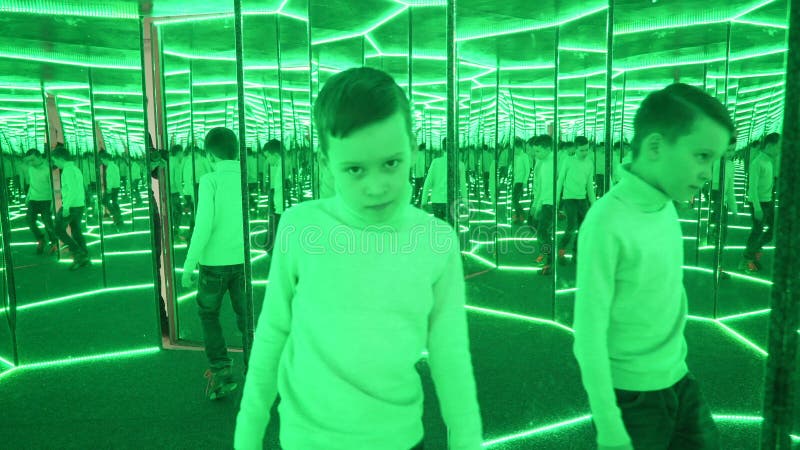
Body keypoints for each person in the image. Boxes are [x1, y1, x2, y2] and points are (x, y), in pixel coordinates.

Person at [235, 67, 482, 450]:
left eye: (391, 163)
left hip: (398, 438)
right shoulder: (301, 227)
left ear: (414, 151)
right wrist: (247, 437)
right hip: (307, 440)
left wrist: (466, 441)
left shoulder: (436, 240)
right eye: (354, 169)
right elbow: (272, 335)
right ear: (325, 163)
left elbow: (449, 355)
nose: (376, 186)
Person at [573, 83, 733, 450]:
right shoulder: (606, 222)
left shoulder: (665, 205)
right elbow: (588, 335)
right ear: (656, 147)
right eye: (702, 155)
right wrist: (609, 424)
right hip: (632, 396)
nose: (710, 172)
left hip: (679, 377)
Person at [181, 127, 247, 401]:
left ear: (209, 155)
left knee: (209, 316)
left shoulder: (210, 181)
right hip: (242, 262)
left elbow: (203, 226)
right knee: (247, 319)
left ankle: (221, 373)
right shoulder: (244, 179)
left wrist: (188, 264)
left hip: (213, 265)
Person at [739, 132, 780, 273]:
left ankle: (754, 252)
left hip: (768, 201)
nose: (779, 150)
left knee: (770, 231)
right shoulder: (757, 163)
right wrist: (756, 208)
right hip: (759, 203)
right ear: (769, 145)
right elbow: (752, 188)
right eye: (778, 147)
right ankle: (746, 260)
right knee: (757, 232)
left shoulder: (770, 161)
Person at [555, 136, 596, 264]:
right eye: (582, 150)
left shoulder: (589, 163)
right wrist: (557, 199)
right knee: (571, 226)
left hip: (582, 198)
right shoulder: (568, 161)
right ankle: (561, 249)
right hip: (569, 198)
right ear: (575, 149)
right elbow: (560, 179)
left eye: (587, 150)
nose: (585, 153)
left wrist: (593, 202)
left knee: (584, 227)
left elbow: (589, 184)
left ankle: (576, 253)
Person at [52, 146, 90, 270]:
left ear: (61, 158)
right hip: (79, 204)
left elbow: (72, 190)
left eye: (55, 160)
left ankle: (78, 252)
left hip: (71, 206)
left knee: (58, 229)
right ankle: (83, 255)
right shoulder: (75, 169)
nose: (55, 163)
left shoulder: (67, 171)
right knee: (76, 230)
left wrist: (66, 207)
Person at [420, 137, 468, 221]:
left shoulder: (435, 162)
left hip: (437, 201)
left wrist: (423, 202)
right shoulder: (460, 165)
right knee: (451, 228)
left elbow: (428, 183)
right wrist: (465, 203)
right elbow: (463, 186)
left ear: (443, 148)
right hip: (453, 201)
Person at [528, 134, 556, 274]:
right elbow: (539, 186)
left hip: (551, 203)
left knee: (542, 233)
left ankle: (550, 262)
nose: (535, 154)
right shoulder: (542, 162)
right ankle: (546, 255)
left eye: (538, 151)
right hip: (544, 202)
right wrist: (536, 204)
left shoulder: (556, 163)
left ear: (547, 149)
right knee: (540, 231)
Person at [23, 149, 58, 255]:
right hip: (33, 199)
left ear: (40, 157)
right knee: (29, 220)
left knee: (48, 223)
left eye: (32, 160)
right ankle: (41, 239)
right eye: (28, 160)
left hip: (46, 200)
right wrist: (28, 196)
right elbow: (32, 183)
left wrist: (53, 201)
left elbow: (53, 187)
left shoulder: (48, 169)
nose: (30, 163)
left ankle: (54, 243)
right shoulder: (31, 169)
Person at [262, 139, 285, 254]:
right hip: (279, 205)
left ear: (275, 154)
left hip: (280, 206)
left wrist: (278, 207)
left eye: (268, 157)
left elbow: (281, 189)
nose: (267, 160)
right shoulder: (280, 165)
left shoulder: (282, 167)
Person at [98, 151, 124, 228]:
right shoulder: (114, 166)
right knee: (114, 202)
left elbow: (110, 179)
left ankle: (116, 217)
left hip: (112, 188)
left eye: (102, 160)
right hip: (116, 187)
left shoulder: (110, 167)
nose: (102, 162)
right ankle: (118, 219)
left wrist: (109, 188)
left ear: (106, 159)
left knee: (105, 201)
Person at [511, 137, 532, 224]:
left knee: (514, 199)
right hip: (516, 180)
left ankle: (521, 214)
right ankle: (518, 215)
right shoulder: (515, 157)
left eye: (515, 148)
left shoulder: (525, 156)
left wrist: (525, 182)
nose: (514, 150)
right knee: (515, 199)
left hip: (520, 181)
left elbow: (527, 170)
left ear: (519, 147)